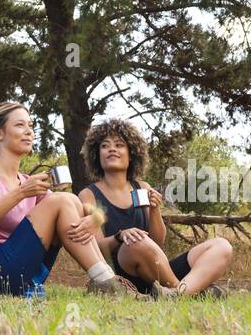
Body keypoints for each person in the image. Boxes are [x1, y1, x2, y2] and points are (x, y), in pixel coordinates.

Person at [0, 102, 139, 298]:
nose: (29, 131)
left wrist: (95, 218)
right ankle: (106, 283)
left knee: (69, 201)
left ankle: (107, 281)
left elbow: (73, 206)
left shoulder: (25, 181)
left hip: (16, 270)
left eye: (31, 126)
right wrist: (22, 193)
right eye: (20, 125)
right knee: (61, 200)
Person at [79, 118, 231, 298]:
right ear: (97, 155)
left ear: (131, 154)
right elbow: (96, 248)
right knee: (136, 241)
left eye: (119, 145)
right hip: (124, 274)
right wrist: (120, 236)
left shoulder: (142, 187)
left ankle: (176, 294)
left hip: (157, 268)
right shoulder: (89, 195)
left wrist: (154, 210)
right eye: (105, 146)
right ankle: (189, 293)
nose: (112, 149)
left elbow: (157, 242)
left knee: (222, 246)